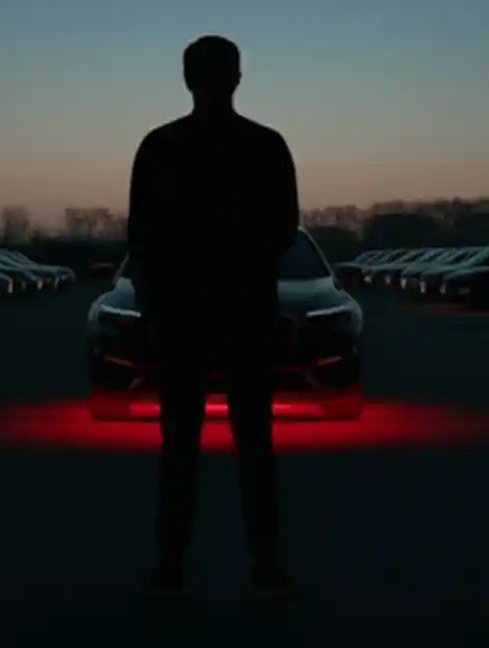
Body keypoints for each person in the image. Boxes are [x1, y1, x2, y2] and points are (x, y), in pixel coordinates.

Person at [125, 35, 300, 599]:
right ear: (238, 78)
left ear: (186, 78)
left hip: (182, 317)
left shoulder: (160, 147)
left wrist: (154, 308)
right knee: (256, 448)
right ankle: (264, 566)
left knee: (179, 450)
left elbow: (143, 239)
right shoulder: (266, 146)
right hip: (244, 313)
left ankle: (170, 568)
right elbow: (281, 229)